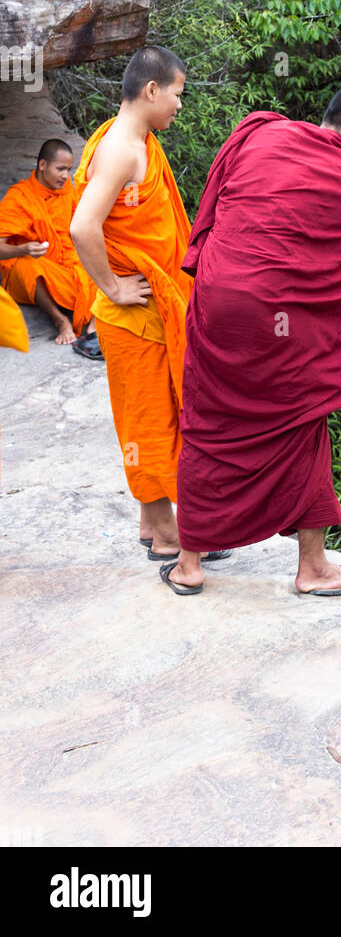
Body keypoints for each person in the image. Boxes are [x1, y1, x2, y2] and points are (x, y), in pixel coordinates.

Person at [166, 83, 341, 596]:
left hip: (216, 298)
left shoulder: (259, 132)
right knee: (303, 420)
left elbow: (218, 201)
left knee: (206, 422)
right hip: (272, 320)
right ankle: (312, 569)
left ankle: (189, 565)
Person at [70, 46, 230, 568]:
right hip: (133, 317)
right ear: (152, 90)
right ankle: (168, 536)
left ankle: (149, 520)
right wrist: (113, 287)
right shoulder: (122, 149)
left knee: (157, 417)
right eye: (178, 95)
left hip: (151, 311)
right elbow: (81, 227)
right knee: (150, 422)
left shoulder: (136, 140)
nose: (180, 106)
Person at [0, 140, 97, 352]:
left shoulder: (68, 194)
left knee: (100, 263)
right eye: (60, 169)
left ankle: (92, 328)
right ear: (42, 165)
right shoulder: (19, 197)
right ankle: (60, 321)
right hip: (34, 268)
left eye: (69, 170)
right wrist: (22, 249)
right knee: (28, 267)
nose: (65, 176)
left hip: (69, 266)